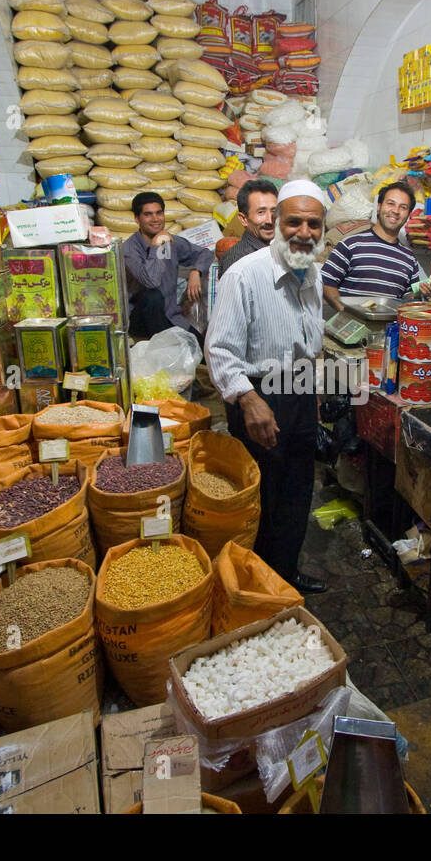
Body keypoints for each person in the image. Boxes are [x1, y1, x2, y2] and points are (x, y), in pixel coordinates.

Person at [205, 179, 330, 594]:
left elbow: (308, 341)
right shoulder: (244, 275)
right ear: (276, 222)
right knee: (262, 497)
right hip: (260, 397)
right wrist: (248, 399)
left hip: (298, 392)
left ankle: (286, 573)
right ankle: (252, 584)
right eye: (294, 221)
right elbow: (220, 348)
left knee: (298, 492)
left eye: (314, 223)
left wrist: (311, 394)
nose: (304, 232)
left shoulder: (313, 272)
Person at [322, 180, 430, 312]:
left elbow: (406, 297)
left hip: (388, 330)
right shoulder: (351, 245)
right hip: (349, 329)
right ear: (378, 206)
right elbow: (326, 282)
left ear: (408, 215)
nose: (396, 211)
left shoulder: (409, 258)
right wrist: (344, 312)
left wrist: (419, 293)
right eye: (391, 203)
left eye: (403, 207)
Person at [121, 191, 211, 338]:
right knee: (153, 296)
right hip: (141, 320)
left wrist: (196, 271)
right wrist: (157, 245)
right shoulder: (129, 250)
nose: (155, 219)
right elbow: (151, 281)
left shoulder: (170, 242)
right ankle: (166, 342)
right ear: (137, 219)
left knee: (204, 351)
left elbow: (204, 253)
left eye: (159, 213)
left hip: (171, 316)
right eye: (148, 214)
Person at [218, 179, 278, 275]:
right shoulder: (237, 259)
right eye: (261, 212)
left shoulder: (281, 250)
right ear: (243, 219)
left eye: (274, 211)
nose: (269, 220)